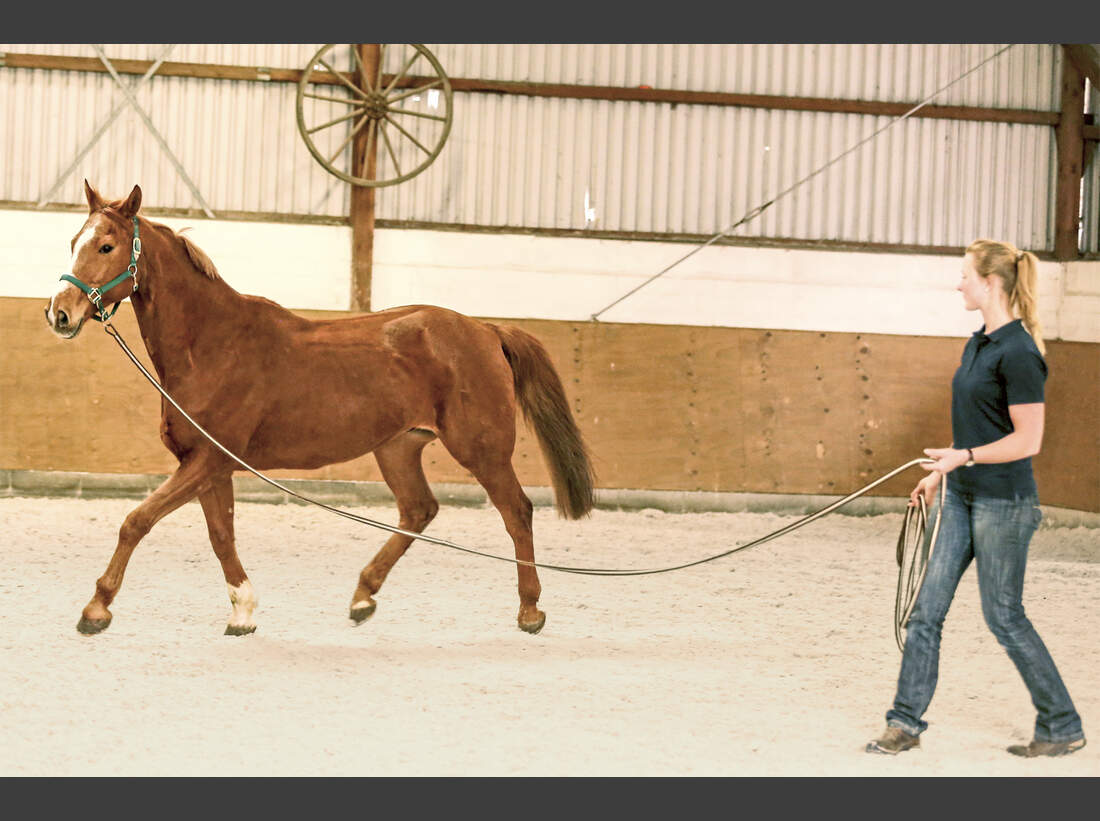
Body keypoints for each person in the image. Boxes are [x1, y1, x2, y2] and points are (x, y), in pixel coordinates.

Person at [865, 239, 1086, 758]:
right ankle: (905, 723)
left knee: (1004, 617)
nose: (958, 283)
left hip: (1003, 504)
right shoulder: (978, 344)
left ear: (990, 283)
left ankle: (1061, 724)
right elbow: (976, 426)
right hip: (960, 496)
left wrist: (961, 457)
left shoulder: (1020, 352)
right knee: (925, 611)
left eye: (964, 275)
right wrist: (943, 473)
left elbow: (1027, 441)